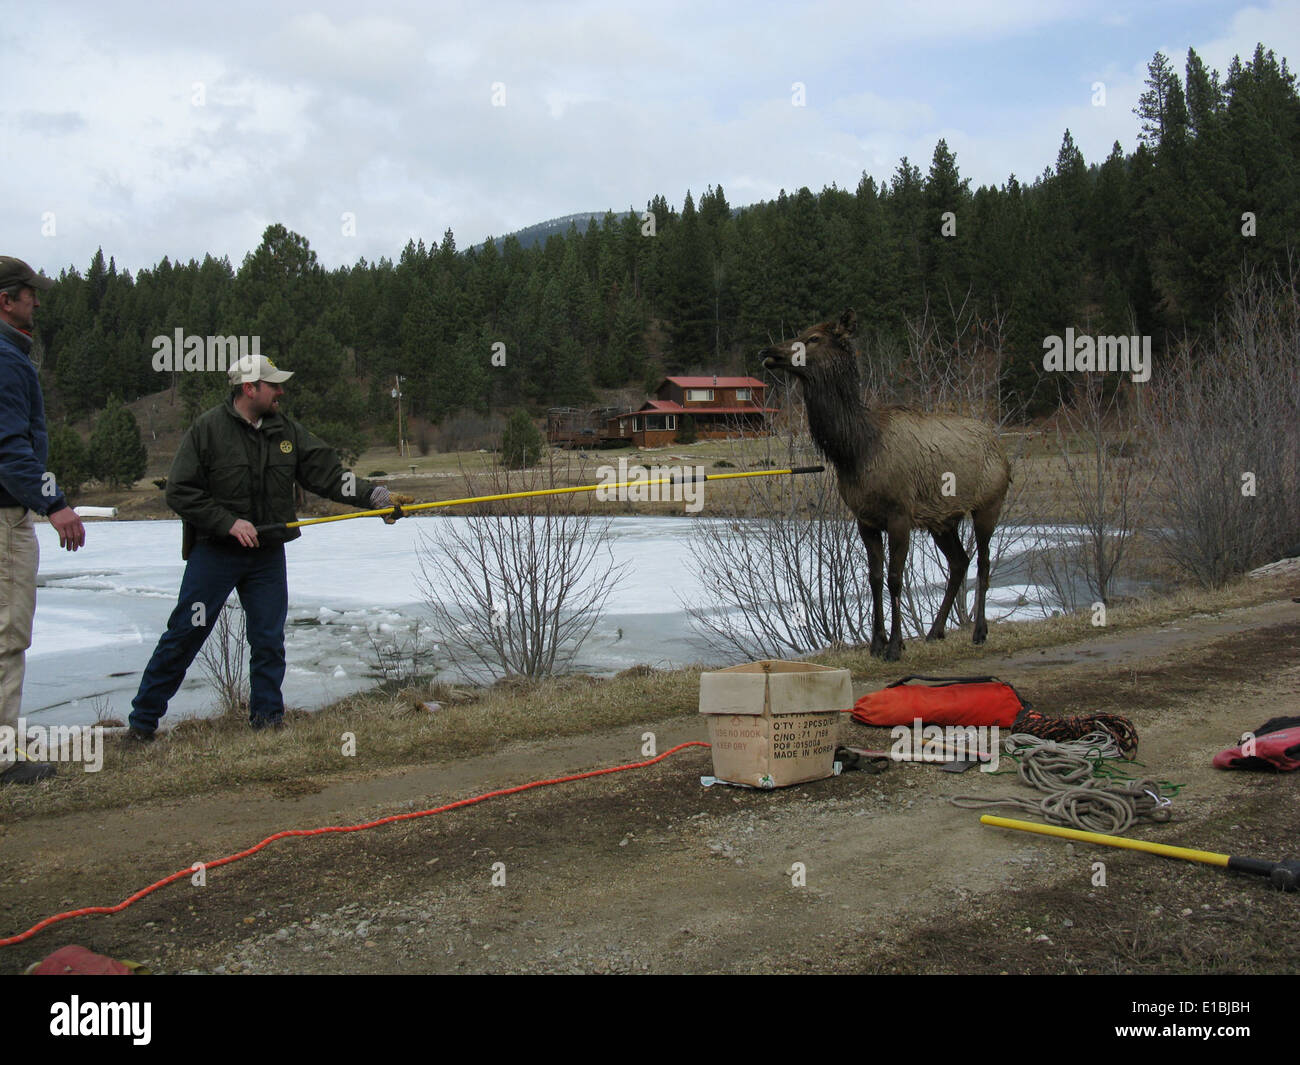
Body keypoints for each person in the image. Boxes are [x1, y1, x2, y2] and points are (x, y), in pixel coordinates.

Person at [127, 353, 398, 740]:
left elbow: (329, 475)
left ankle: (267, 723)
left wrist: (375, 497)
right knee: (187, 632)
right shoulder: (207, 430)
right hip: (215, 554)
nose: (280, 391)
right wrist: (227, 522)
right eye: (273, 385)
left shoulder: (286, 431)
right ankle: (142, 725)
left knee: (269, 640)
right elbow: (180, 491)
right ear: (249, 388)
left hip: (267, 554)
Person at [0, 256, 86, 785]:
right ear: (6, 300)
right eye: (30, 293)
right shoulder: (7, 361)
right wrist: (54, 503)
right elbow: (11, 451)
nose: (38, 301)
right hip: (5, 519)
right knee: (7, 635)